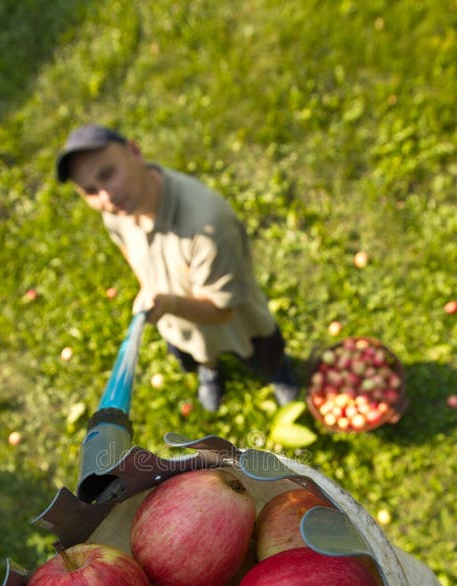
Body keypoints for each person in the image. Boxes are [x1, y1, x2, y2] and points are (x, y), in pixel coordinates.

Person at [55, 124, 299, 412]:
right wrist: (147, 284)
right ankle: (210, 370)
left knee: (262, 354)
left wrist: (168, 303)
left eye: (108, 174)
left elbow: (223, 310)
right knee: (195, 355)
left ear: (134, 152)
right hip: (177, 325)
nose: (106, 197)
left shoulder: (208, 226)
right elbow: (123, 242)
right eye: (91, 191)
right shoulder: (120, 210)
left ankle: (278, 373)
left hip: (237, 325)